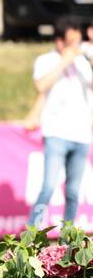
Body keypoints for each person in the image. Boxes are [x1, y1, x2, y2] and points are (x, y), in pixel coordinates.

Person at [22, 15, 93, 228]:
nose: (76, 47)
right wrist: (65, 60)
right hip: (56, 133)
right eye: (72, 42)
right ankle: (31, 235)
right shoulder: (46, 60)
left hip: (81, 134)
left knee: (73, 192)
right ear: (60, 41)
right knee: (48, 187)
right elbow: (41, 86)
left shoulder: (83, 62)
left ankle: (68, 241)